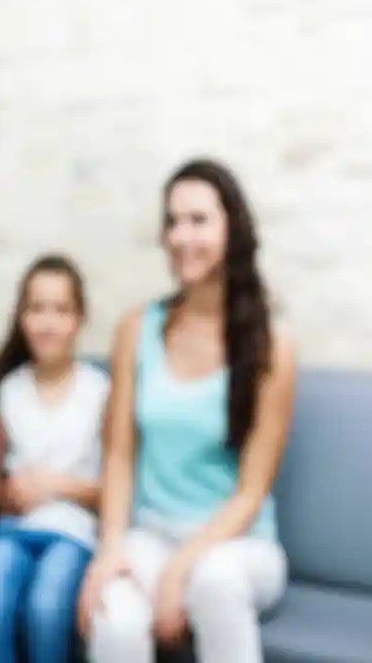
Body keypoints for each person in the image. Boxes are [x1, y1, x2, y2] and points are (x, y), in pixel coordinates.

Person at [77, 159, 297, 662]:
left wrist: (182, 570)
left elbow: (251, 492)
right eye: (173, 222)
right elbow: (119, 457)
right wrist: (110, 550)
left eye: (198, 221)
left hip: (238, 545)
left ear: (232, 230)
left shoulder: (272, 345)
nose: (181, 237)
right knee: (115, 617)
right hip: (152, 534)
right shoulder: (138, 329)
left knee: (213, 581)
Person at [0, 254, 110, 663]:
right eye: (36, 309)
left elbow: (116, 489)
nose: (48, 323)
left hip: (72, 534)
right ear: (21, 317)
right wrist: (6, 494)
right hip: (13, 529)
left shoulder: (100, 391)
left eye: (61, 310)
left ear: (79, 319)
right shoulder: (7, 388)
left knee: (46, 609)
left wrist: (57, 485)